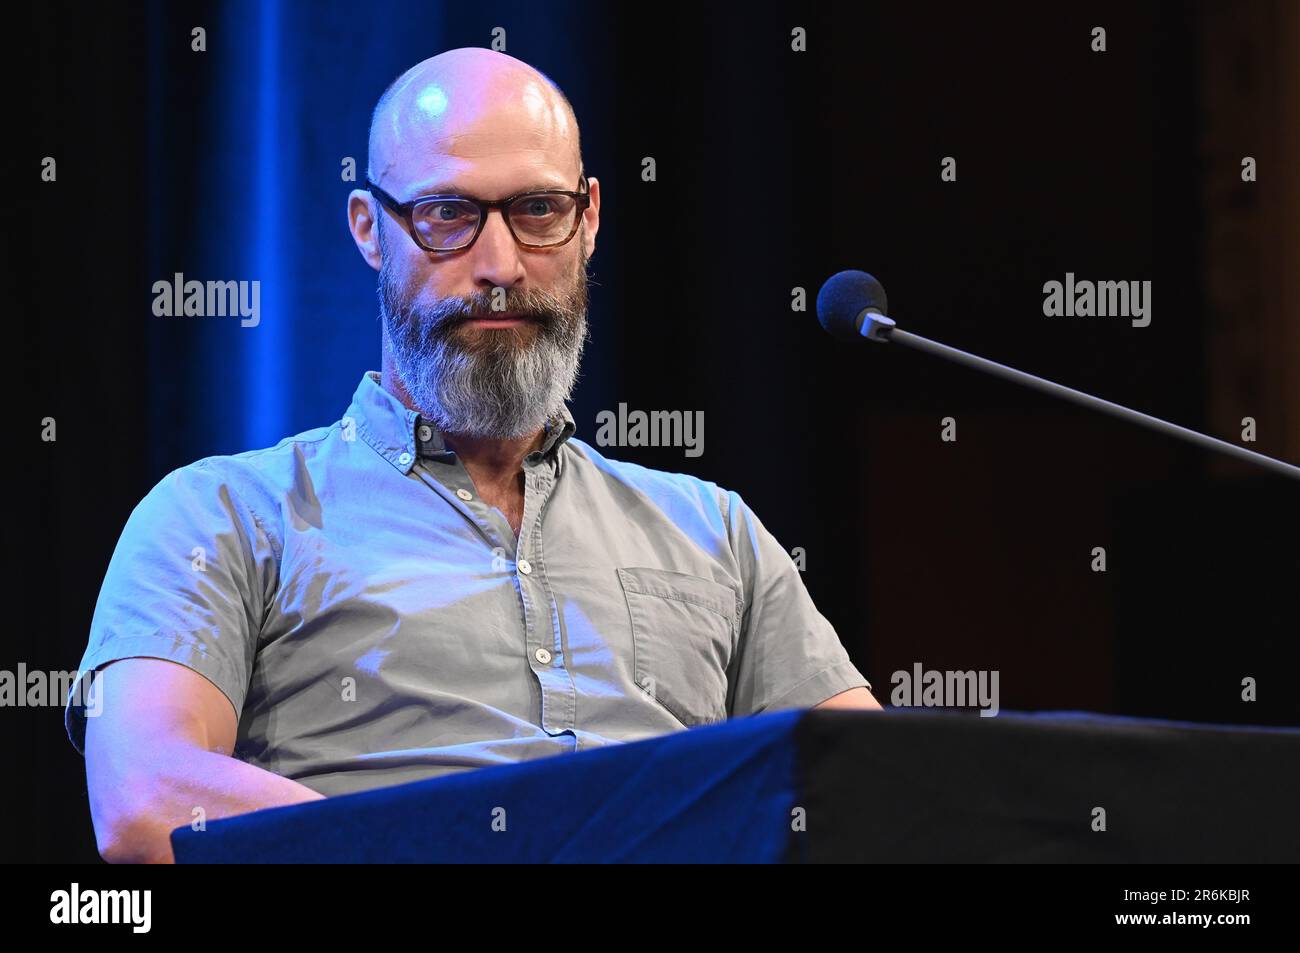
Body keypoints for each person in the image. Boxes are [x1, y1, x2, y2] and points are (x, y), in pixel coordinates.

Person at [66, 48, 880, 864]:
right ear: (369, 230)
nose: (499, 266)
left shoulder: (716, 532)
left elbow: (881, 795)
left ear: (589, 219)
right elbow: (146, 797)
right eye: (447, 214)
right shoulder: (224, 514)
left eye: (536, 209)